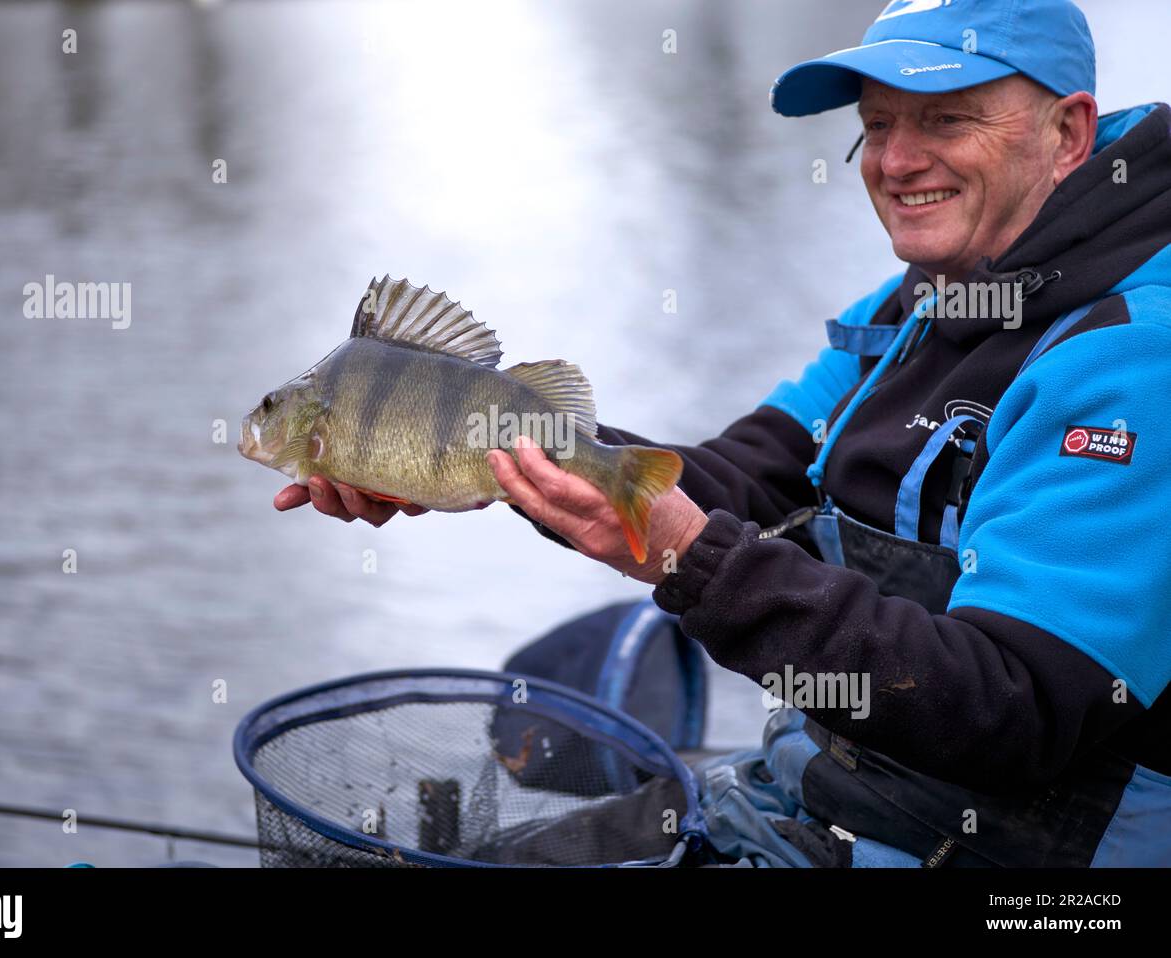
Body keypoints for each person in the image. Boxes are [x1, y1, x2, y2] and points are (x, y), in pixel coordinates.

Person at [278, 0, 1171, 867]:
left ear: (1067, 133)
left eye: (945, 120)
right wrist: (488, 455)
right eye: (877, 123)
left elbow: (1009, 707)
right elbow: (741, 477)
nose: (897, 160)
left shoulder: (1132, 364)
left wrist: (691, 560)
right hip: (815, 802)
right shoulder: (931, 299)